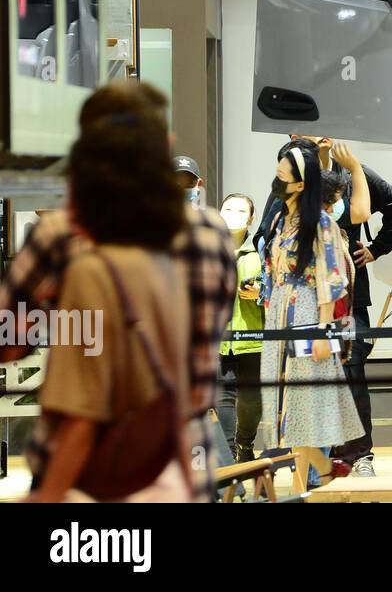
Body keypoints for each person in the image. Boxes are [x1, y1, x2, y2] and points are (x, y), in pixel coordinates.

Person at [1, 81, 236, 501]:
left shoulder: (65, 237)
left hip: (81, 476)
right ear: (164, 144)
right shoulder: (211, 235)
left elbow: (7, 341)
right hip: (181, 465)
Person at [30, 105, 191, 501]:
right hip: (160, 470)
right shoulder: (163, 248)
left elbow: (83, 416)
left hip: (105, 485)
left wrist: (47, 496)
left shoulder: (91, 268)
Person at [286, 135, 392, 475]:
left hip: (348, 296)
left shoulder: (354, 173)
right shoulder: (293, 173)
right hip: (306, 296)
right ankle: (316, 462)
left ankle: (360, 454)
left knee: (351, 370)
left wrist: (376, 249)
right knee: (310, 372)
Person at [259, 146, 362, 463]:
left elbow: (329, 275)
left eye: (283, 176)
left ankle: (321, 478)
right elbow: (271, 268)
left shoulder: (320, 222)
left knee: (307, 405)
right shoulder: (279, 219)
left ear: (301, 184)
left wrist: (323, 330)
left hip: (307, 313)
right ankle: (306, 484)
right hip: (278, 315)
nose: (277, 180)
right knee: (283, 409)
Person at [216, 193, 264, 463]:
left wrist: (259, 292)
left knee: (250, 401)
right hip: (217, 339)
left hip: (252, 337)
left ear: (251, 218)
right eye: (228, 208)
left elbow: (274, 290)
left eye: (240, 210)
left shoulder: (260, 252)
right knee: (222, 397)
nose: (233, 214)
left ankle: (245, 445)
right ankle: (229, 452)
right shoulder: (209, 250)